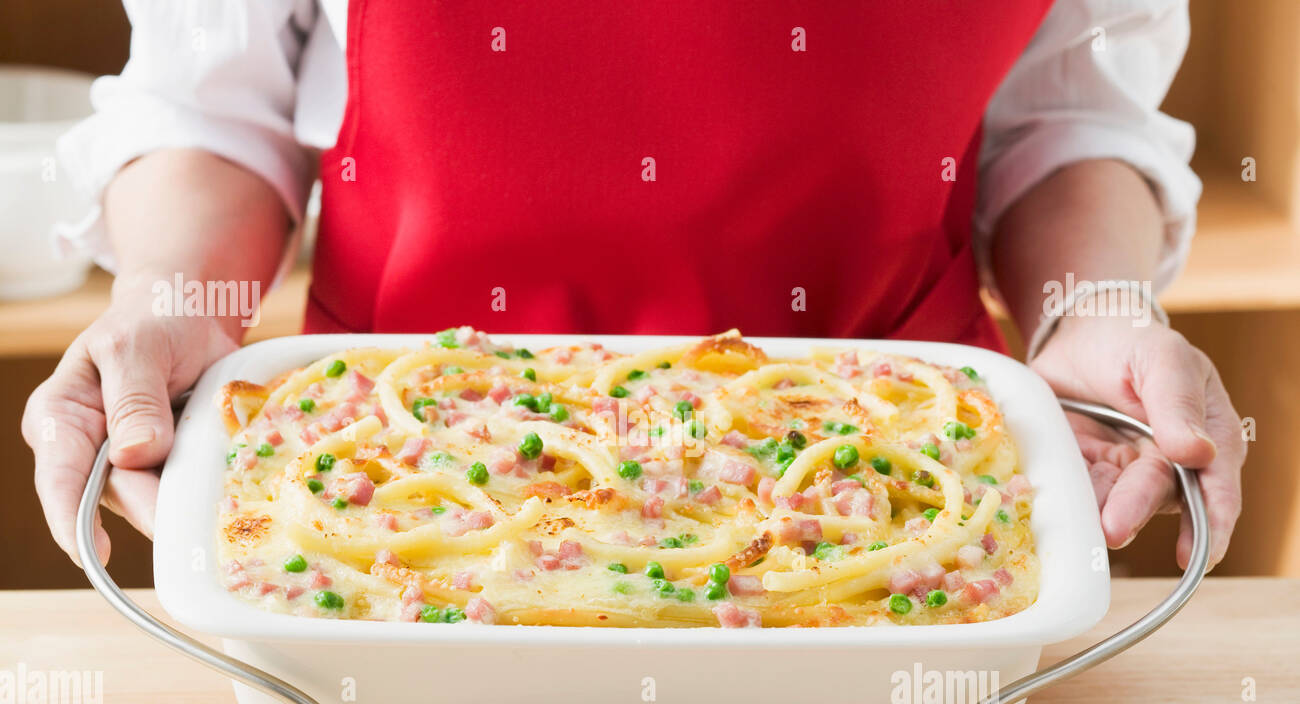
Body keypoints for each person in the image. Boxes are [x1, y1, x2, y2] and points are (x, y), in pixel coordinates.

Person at [23, 0, 1243, 573]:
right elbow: (217, 109)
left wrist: (1099, 310)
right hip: (404, 499)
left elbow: (1065, 121)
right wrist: (167, 306)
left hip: (886, 502)